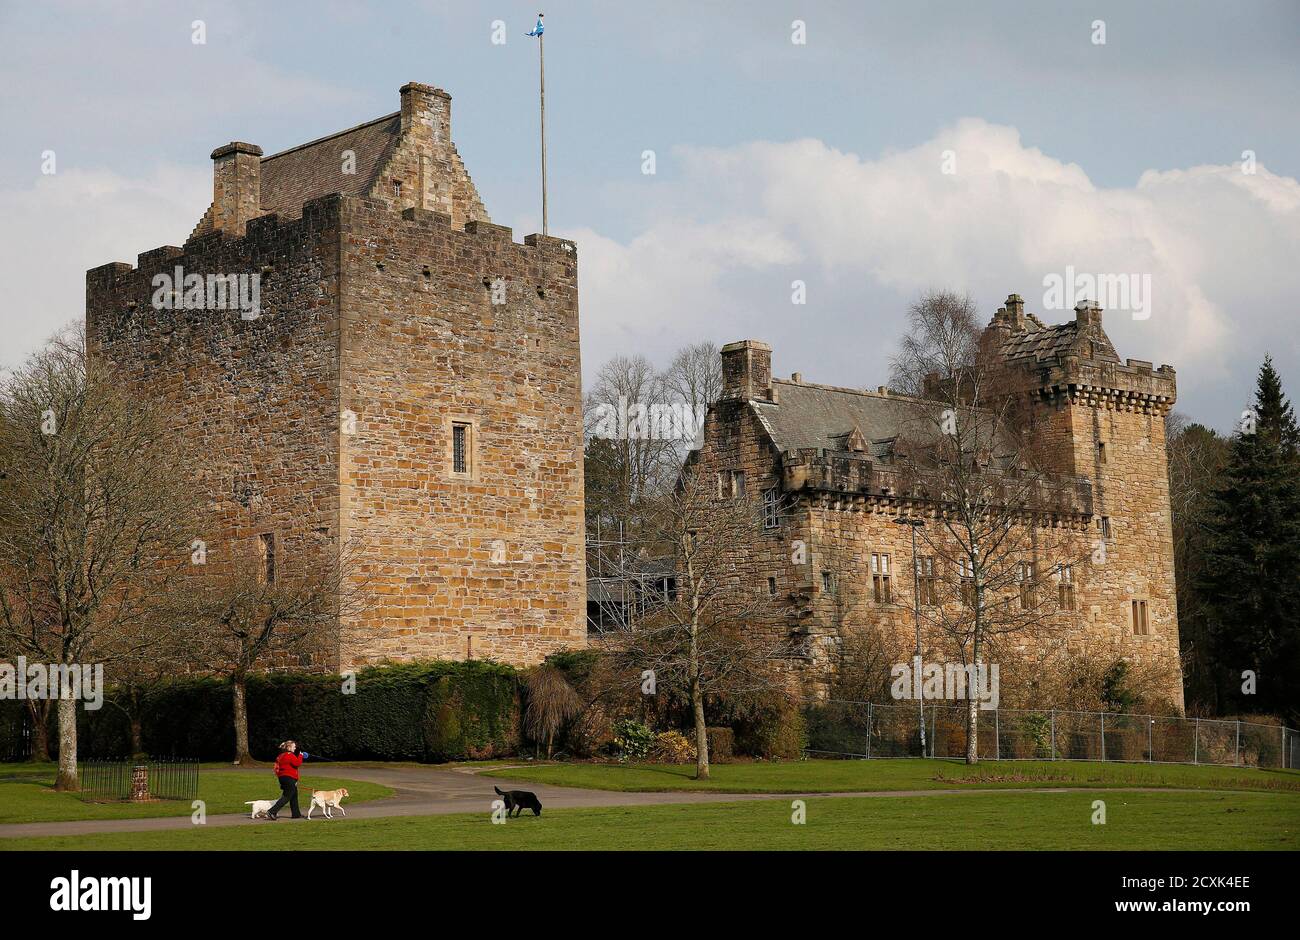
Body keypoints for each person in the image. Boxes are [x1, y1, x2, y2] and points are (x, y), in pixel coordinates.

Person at [266, 740, 310, 820]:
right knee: (287, 796)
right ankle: (272, 811)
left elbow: (277, 768)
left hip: (283, 778)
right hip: (289, 778)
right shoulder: (290, 755)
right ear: (289, 747)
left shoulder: (280, 756)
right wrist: (300, 755)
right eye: (294, 746)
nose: (295, 748)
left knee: (294, 795)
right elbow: (297, 763)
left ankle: (296, 814)